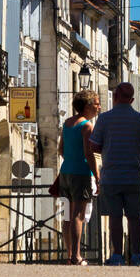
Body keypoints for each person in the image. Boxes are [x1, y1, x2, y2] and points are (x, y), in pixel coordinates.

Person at [89, 81, 140, 266]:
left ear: (115, 97)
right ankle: (136, 256)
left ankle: (117, 255)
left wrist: (110, 148)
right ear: (132, 99)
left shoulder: (104, 119)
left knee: (115, 217)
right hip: (134, 175)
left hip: (111, 175)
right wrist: (132, 148)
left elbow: (94, 145)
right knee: (135, 218)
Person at [58, 89, 101, 265]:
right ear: (88, 105)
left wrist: (70, 160)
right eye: (97, 103)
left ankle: (69, 255)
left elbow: (61, 149)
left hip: (65, 171)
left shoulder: (67, 123)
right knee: (78, 215)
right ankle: (77, 256)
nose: (99, 107)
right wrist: (97, 176)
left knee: (67, 215)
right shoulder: (87, 126)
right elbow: (89, 154)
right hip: (81, 172)